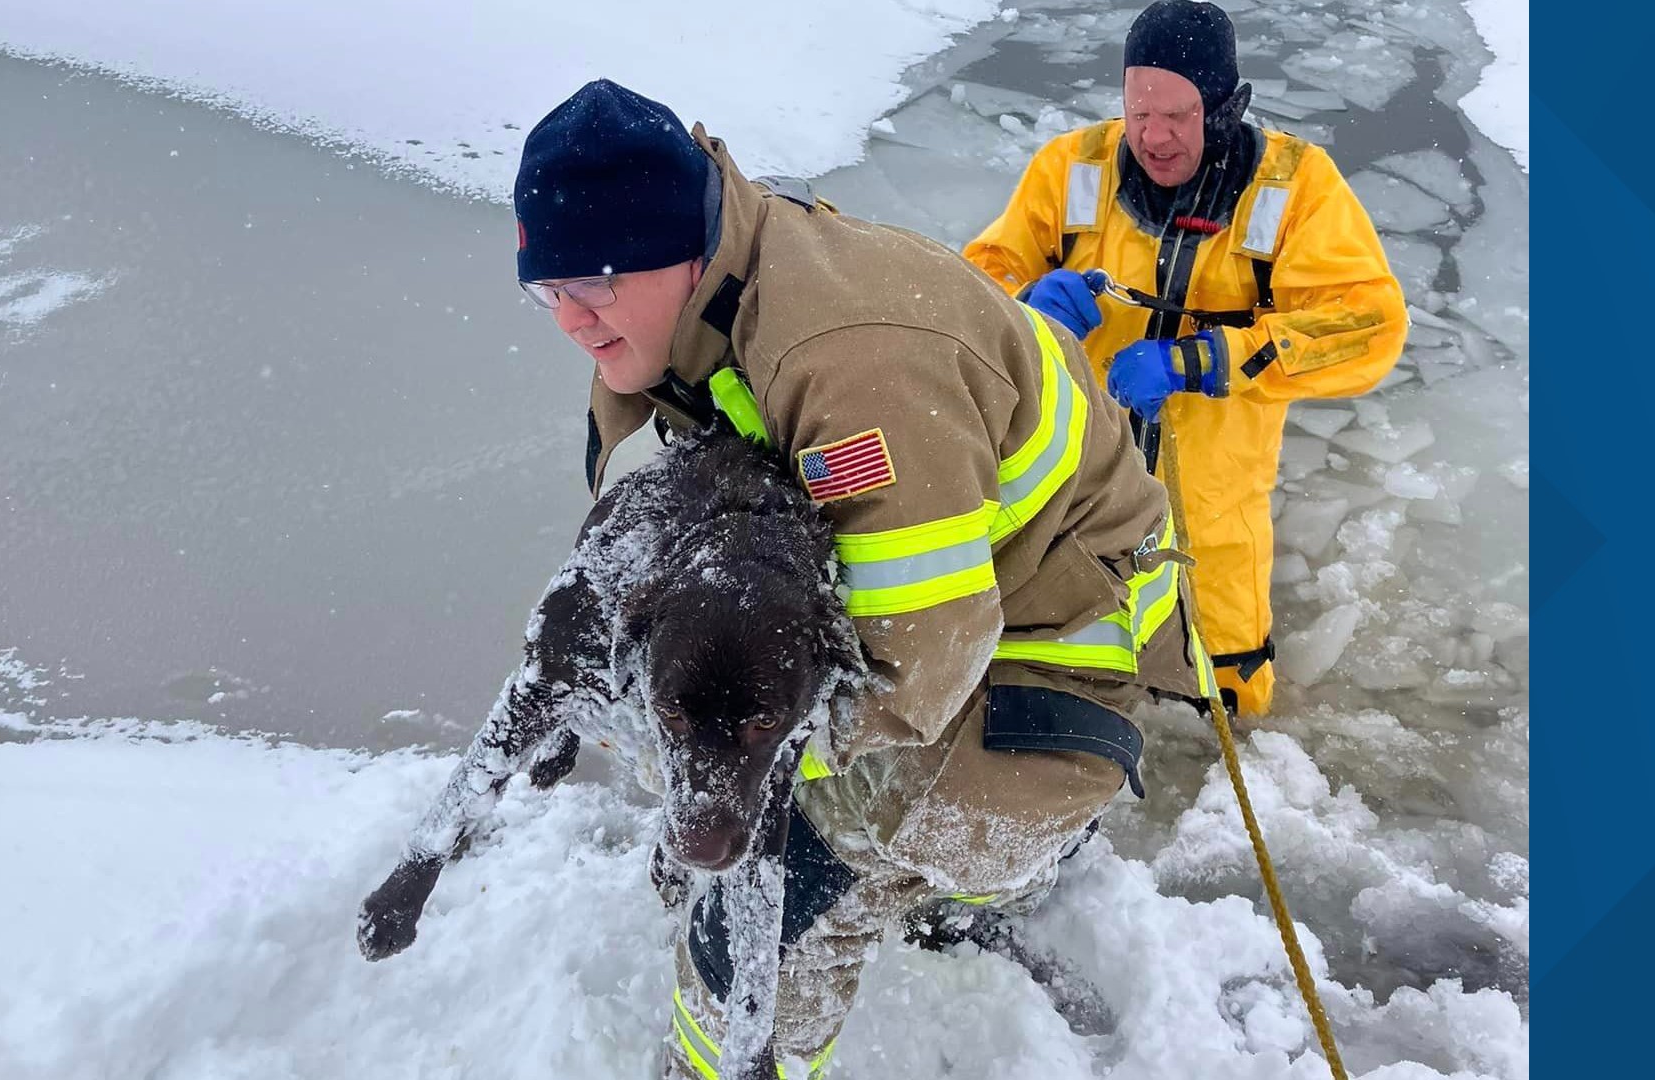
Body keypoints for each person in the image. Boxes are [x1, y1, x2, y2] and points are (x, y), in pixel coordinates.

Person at [512, 79, 1217, 1079]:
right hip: (988, 609)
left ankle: (980, 864)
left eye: (592, 284)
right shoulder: (706, 291)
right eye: (547, 290)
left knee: (756, 927)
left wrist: (728, 763)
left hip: (1049, 667)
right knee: (748, 803)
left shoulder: (851, 368)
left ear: (681, 249)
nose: (571, 320)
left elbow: (915, 664)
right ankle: (954, 877)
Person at [964, 0, 1408, 716]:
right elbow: (971, 288)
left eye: (1177, 116)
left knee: (1223, 689)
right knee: (1055, 662)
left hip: (1213, 503)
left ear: (1225, 109)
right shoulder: (1072, 168)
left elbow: (1368, 326)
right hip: (1077, 482)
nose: (1153, 137)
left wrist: (1201, 361)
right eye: (1139, 113)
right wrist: (1021, 307)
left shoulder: (1296, 187)